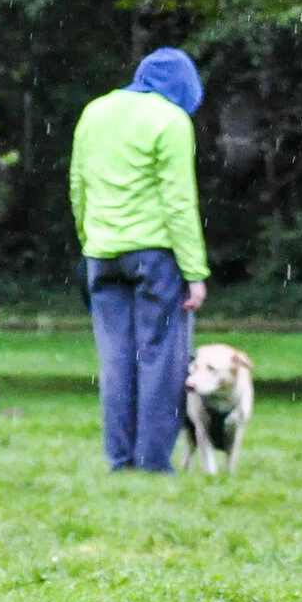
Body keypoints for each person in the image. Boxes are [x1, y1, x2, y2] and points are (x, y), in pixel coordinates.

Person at [71, 47, 209, 474]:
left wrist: (89, 239)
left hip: (101, 254)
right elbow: (179, 202)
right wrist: (195, 272)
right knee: (160, 360)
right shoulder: (171, 119)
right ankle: (152, 461)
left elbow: (78, 186)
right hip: (156, 256)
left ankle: (119, 459)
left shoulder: (95, 111)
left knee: (115, 361)